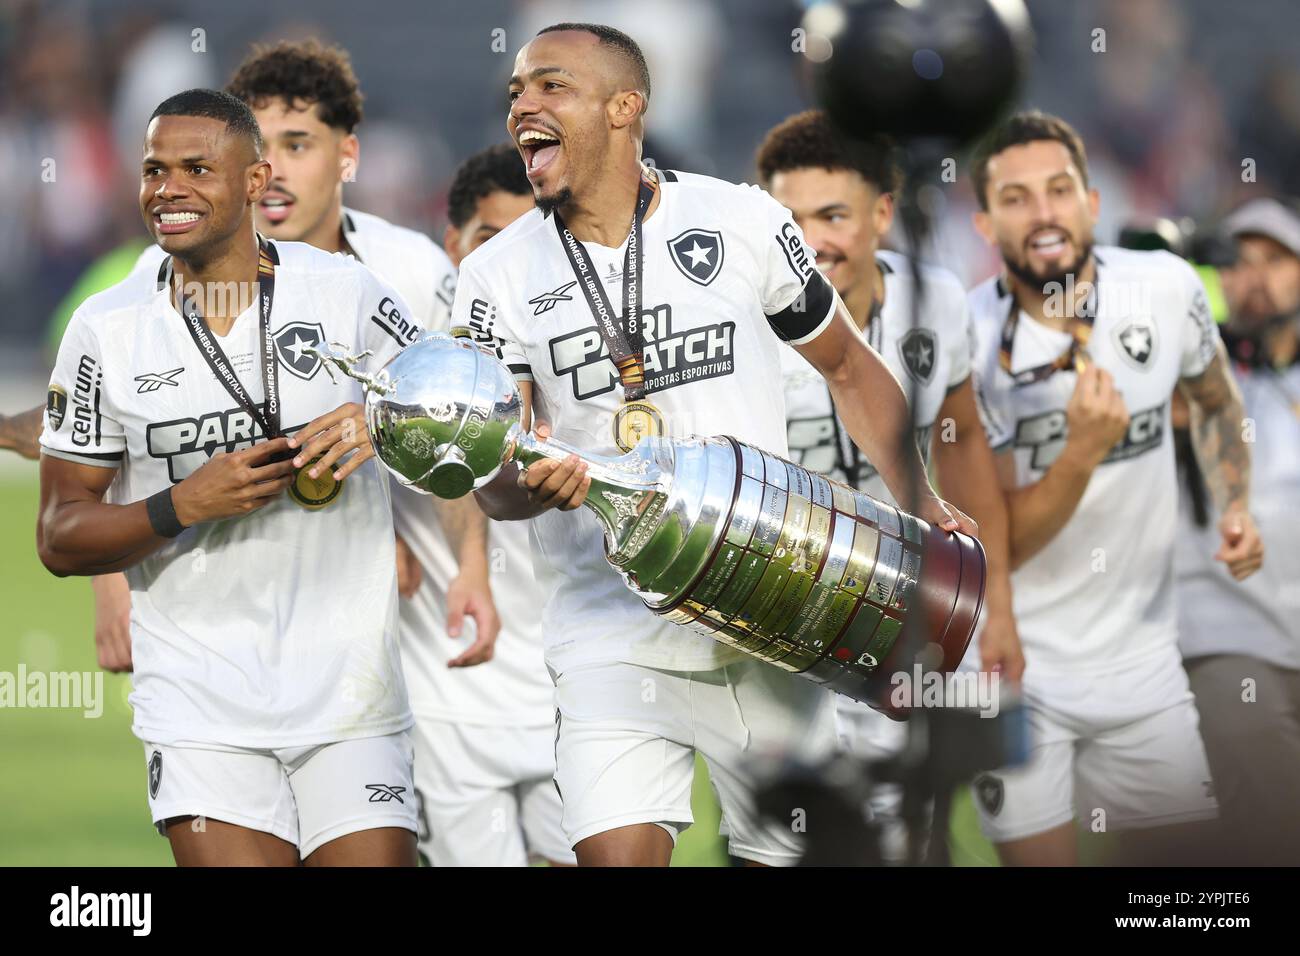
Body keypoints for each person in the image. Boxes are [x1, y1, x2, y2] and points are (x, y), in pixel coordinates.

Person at [462, 22, 976, 867]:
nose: (523, 103)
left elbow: (847, 365)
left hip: (768, 611)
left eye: (549, 85)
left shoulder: (741, 220)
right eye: (517, 90)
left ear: (625, 107)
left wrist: (919, 497)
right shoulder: (496, 276)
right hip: (611, 626)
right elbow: (496, 476)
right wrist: (525, 480)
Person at [37, 89, 420, 866]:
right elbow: (59, 534)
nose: (167, 188)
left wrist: (385, 424)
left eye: (196, 168)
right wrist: (178, 505)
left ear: (255, 181)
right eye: (153, 170)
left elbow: (469, 419)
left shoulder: (347, 295)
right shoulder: (107, 328)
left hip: (352, 695)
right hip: (200, 708)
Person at [965, 110, 1262, 865]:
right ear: (984, 223)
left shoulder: (1164, 288)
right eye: (1017, 198)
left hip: (1145, 666)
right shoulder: (966, 341)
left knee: (1179, 907)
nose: (1043, 214)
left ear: (1094, 203)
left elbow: (1220, 403)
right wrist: (1079, 454)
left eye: (1060, 190)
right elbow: (1004, 547)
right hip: (1016, 673)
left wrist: (1235, 503)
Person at [755, 109, 1023, 863]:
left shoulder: (935, 299)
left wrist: (995, 603)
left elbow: (964, 441)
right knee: (790, 837)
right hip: (780, 617)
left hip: (906, 611)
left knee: (915, 828)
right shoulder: (741, 322)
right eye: (789, 220)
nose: (809, 242)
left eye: (833, 215)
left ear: (881, 212)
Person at [397, 143, 575, 866]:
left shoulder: (583, 362)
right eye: (488, 241)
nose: (507, 263)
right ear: (454, 245)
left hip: (573, 685)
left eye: (525, 241)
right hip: (451, 696)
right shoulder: (406, 372)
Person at [1174, 197, 1300, 864]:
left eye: (1276, 259)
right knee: (1278, 832)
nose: (1255, 276)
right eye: (1237, 262)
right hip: (1229, 638)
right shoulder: (1191, 375)